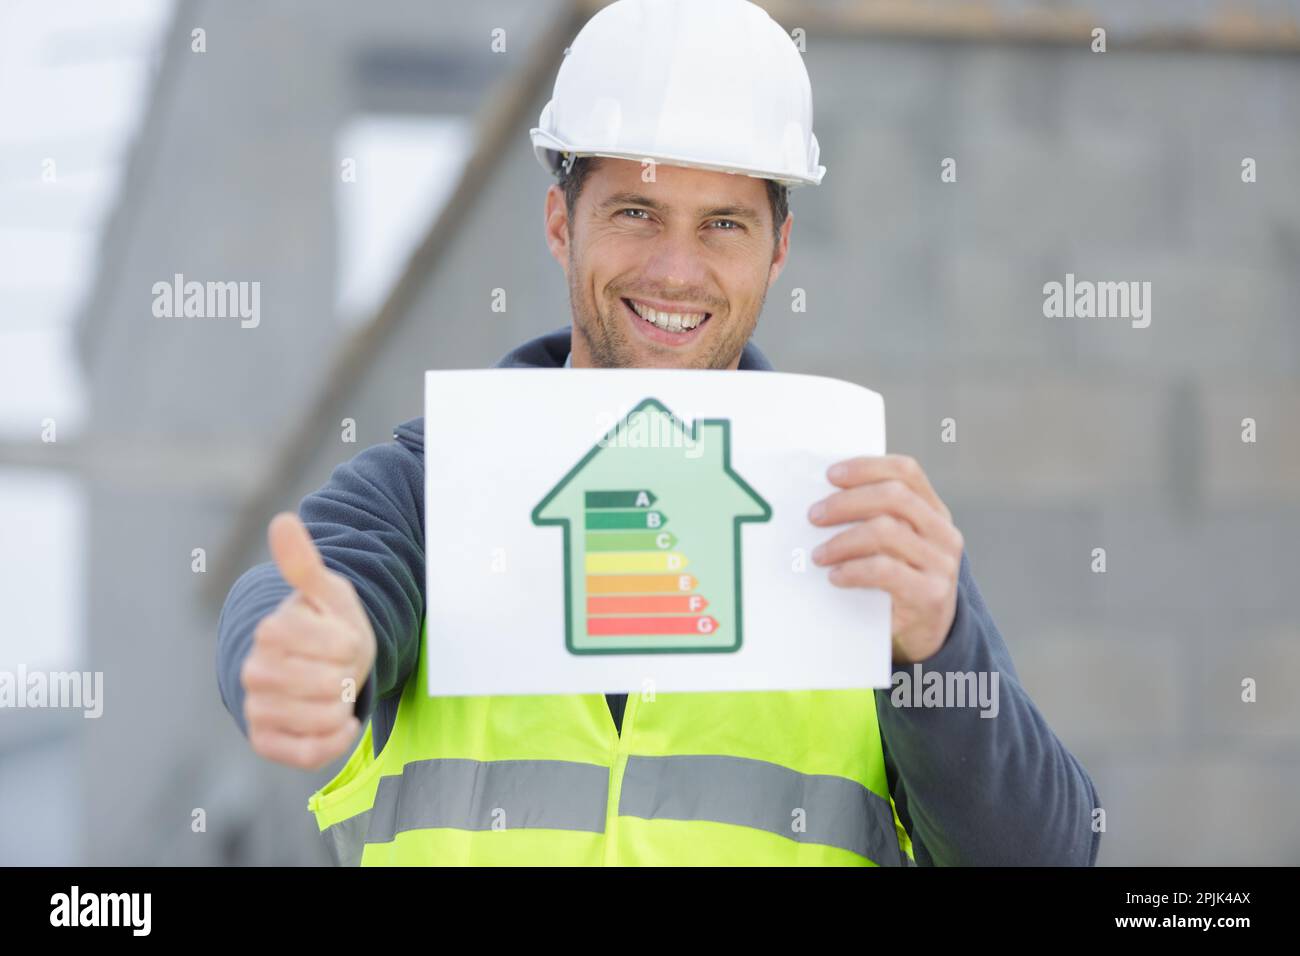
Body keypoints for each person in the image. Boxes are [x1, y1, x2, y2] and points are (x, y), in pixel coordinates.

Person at [217, 0, 1100, 866]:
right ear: (563, 225)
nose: (676, 271)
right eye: (636, 212)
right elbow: (314, 594)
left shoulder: (857, 525)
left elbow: (1046, 855)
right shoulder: (431, 490)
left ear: (776, 251)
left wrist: (938, 648)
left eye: (723, 224)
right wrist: (305, 645)